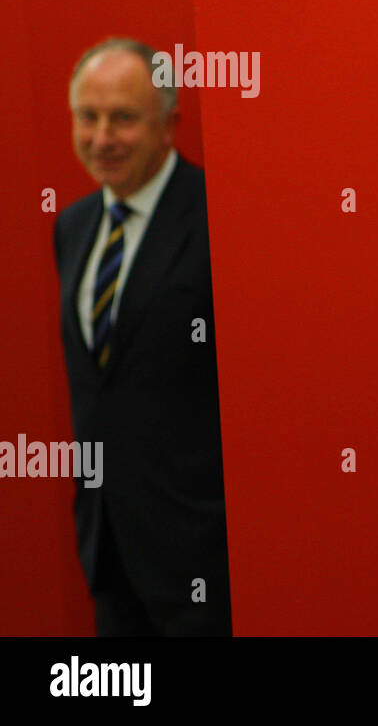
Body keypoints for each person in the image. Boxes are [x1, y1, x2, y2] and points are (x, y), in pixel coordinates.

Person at [54, 37, 231, 635]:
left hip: (203, 563)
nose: (101, 139)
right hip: (109, 554)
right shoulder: (73, 228)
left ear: (168, 125)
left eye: (123, 118)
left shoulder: (218, 220)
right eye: (88, 116)